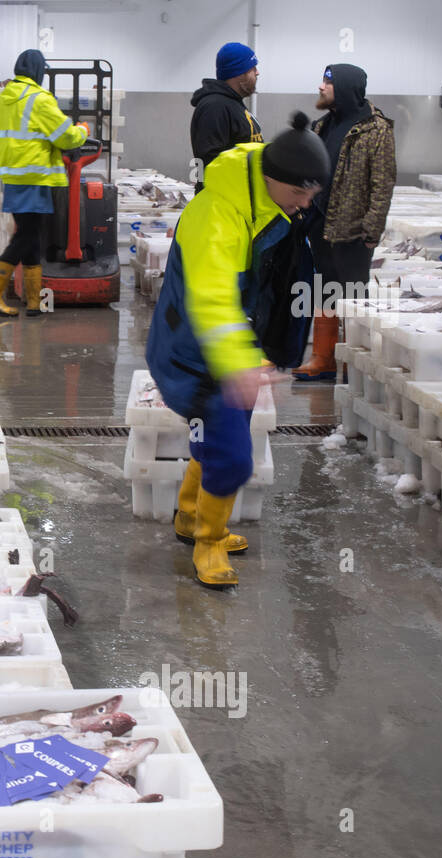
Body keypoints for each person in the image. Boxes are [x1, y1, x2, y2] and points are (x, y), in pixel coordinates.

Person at [145, 114, 329, 590]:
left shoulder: (265, 196)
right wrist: (237, 361)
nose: (306, 205)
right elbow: (211, 297)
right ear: (274, 180)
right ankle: (209, 540)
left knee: (214, 444)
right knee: (231, 457)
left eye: (312, 195)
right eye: (300, 195)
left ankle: (189, 519)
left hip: (233, 349)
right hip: (197, 354)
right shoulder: (219, 213)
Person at [293, 63, 397, 381]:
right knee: (324, 291)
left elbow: (383, 184)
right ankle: (323, 358)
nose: (321, 87)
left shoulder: (376, 129)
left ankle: (354, 367)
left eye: (328, 82)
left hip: (353, 232)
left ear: (347, 87)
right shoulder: (322, 126)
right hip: (320, 226)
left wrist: (372, 231)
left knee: (352, 299)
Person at [0, 49, 88, 318]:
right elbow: (66, 138)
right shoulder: (39, 99)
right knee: (26, 235)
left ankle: (33, 302)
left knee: (31, 235)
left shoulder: (5, 98)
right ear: (40, 72)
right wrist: (83, 130)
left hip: (14, 174)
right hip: (35, 176)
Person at [189, 42, 262, 193]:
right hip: (221, 204)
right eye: (252, 68)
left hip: (237, 200)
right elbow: (211, 162)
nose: (257, 73)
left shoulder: (233, 104)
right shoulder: (215, 107)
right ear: (239, 73)